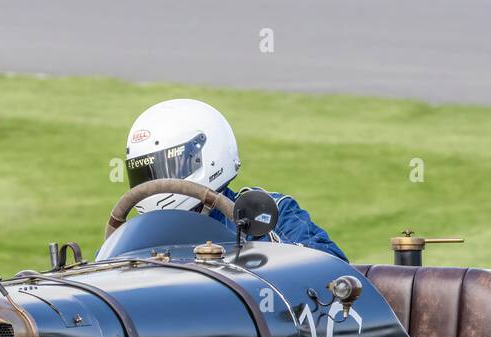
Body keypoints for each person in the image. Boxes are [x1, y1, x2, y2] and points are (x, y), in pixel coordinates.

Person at [123, 98, 347, 261]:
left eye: (167, 167)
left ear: (209, 155)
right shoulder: (134, 237)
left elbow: (332, 270)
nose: (155, 184)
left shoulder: (265, 213)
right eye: (145, 174)